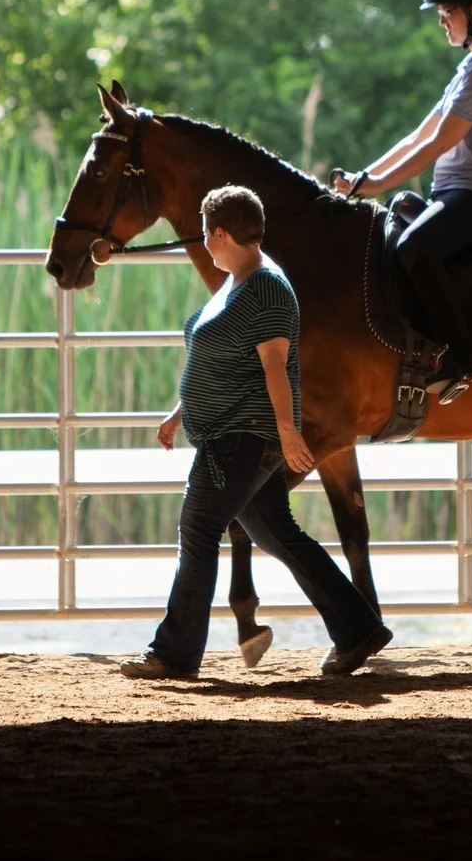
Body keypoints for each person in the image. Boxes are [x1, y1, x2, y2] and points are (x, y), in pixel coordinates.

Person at [120, 184, 392, 680]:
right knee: (279, 535)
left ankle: (174, 653)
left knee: (198, 531)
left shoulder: (265, 286)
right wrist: (178, 413)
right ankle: (358, 628)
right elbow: (221, 359)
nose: (203, 243)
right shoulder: (239, 281)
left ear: (221, 233)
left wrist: (288, 432)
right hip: (238, 435)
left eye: (206, 234)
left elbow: (273, 366)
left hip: (241, 437)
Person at [333, 0, 472, 404]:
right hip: (459, 192)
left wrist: (372, 187)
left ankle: (466, 354)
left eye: (447, 12)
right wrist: (366, 177)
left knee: (413, 246)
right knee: (399, 210)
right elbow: (417, 135)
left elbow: (437, 144)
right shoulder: (471, 67)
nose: (442, 22)